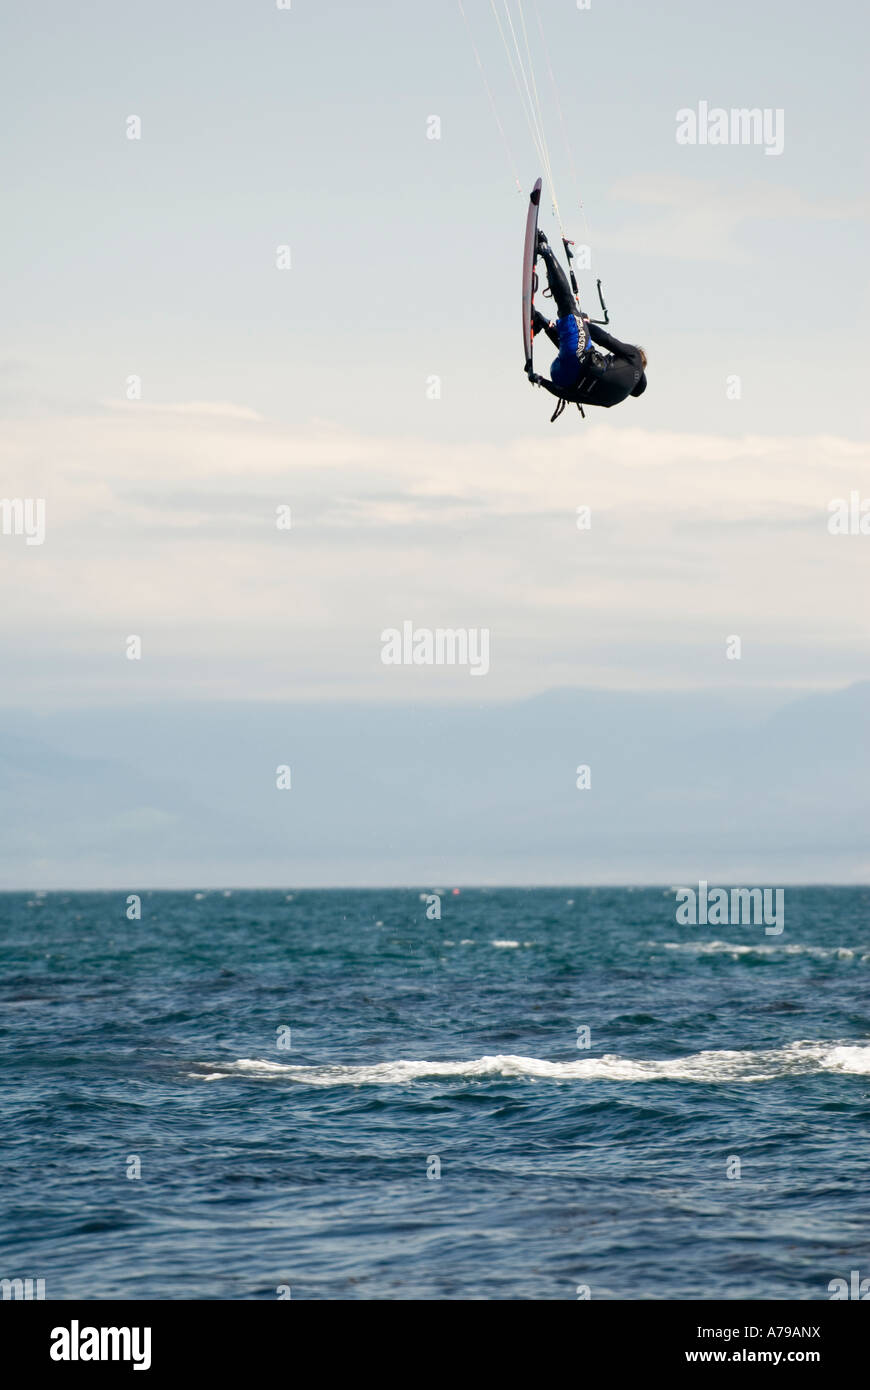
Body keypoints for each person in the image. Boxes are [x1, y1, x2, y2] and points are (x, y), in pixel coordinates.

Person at [529, 229, 647, 411]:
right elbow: (569, 395)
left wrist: (585, 323)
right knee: (576, 343)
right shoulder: (611, 401)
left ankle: (545, 250)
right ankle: (542, 322)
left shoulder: (634, 358)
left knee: (569, 308)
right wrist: (540, 380)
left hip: (577, 361)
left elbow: (606, 340)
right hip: (560, 376)